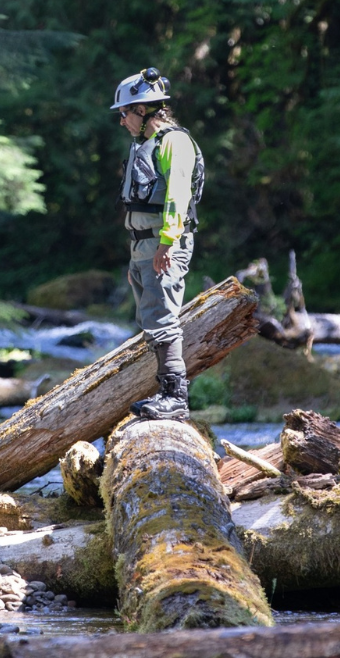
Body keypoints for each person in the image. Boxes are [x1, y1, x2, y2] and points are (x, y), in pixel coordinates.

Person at [110, 67, 205, 421]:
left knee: (163, 318)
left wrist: (167, 242)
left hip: (162, 245)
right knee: (151, 317)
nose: (122, 121)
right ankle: (165, 391)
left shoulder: (173, 142)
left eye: (125, 113)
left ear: (144, 110)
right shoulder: (146, 143)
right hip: (143, 244)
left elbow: (177, 196)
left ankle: (175, 398)